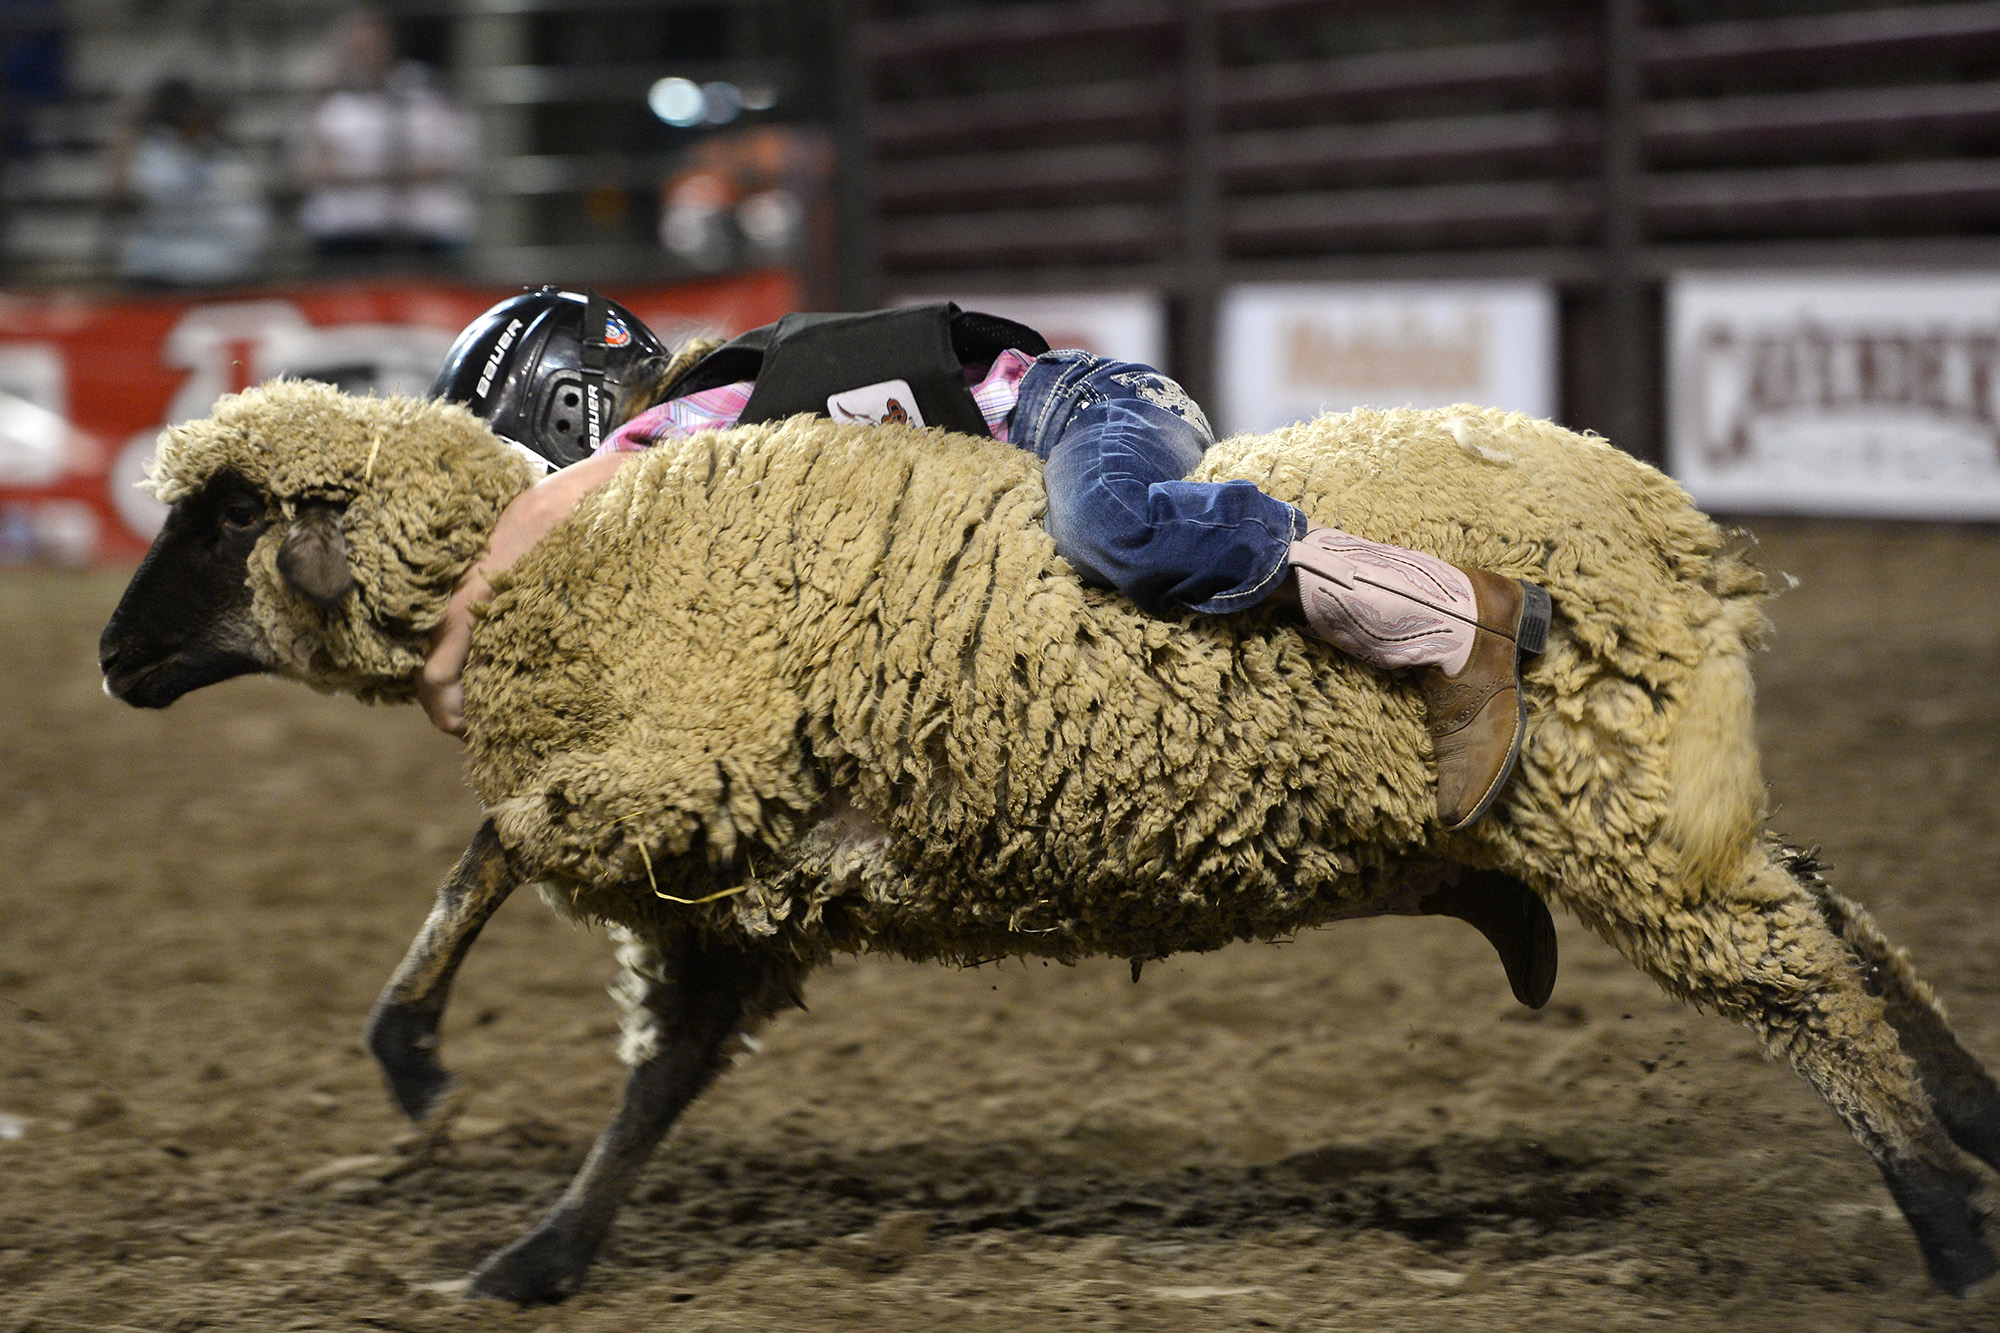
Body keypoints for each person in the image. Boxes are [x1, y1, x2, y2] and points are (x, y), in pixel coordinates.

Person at [421, 290, 1558, 1001]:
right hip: (1020, 483)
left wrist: (459, 632)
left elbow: (571, 504)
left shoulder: (680, 432)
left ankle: (1450, 617)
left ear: (561, 416)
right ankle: (1422, 878)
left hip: (1085, 410)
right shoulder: (718, 468)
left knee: (1112, 529)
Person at [294, 6, 474, 266]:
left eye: (373, 43)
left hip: (423, 233)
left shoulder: (424, 89)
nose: (367, 53)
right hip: (344, 235)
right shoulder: (327, 98)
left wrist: (353, 173)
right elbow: (314, 171)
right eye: (357, 46)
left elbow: (442, 164)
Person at [107, 78, 270, 287]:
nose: (194, 124)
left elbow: (250, 223)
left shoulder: (227, 162)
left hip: (224, 272)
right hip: (161, 273)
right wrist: (129, 129)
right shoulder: (152, 155)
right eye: (186, 118)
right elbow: (120, 192)